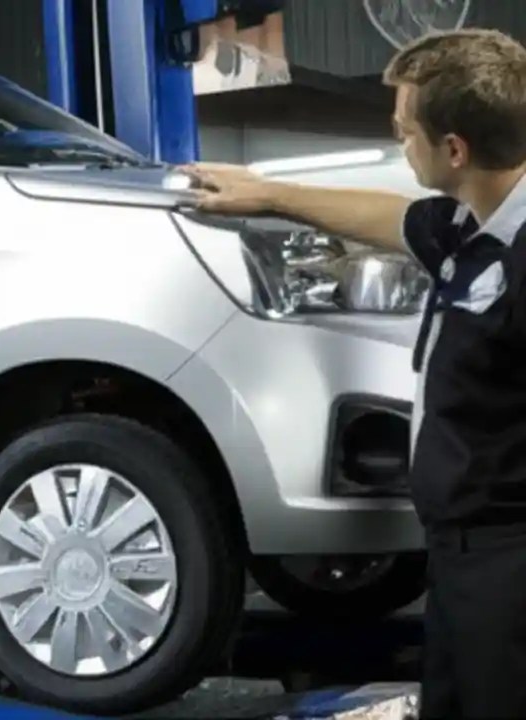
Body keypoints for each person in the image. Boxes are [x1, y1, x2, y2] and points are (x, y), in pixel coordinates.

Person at [184, 28, 526, 720]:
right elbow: (394, 219)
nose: (398, 142)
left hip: (510, 565)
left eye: (404, 132)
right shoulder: (472, 224)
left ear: (454, 150)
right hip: (460, 558)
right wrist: (269, 195)